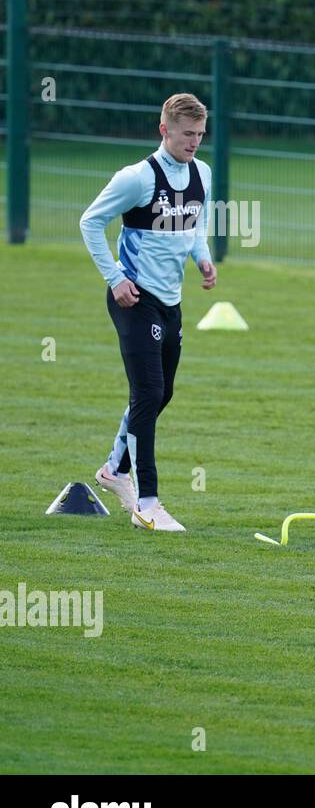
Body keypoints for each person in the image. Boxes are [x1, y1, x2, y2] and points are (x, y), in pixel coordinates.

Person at [80, 93, 217, 532]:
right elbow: (89, 222)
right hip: (134, 299)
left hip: (171, 303)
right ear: (164, 131)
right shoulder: (137, 178)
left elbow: (195, 225)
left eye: (199, 135)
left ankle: (113, 471)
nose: (194, 143)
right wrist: (115, 278)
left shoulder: (202, 173)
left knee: (161, 395)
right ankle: (148, 504)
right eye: (186, 135)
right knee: (146, 394)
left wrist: (203, 259)